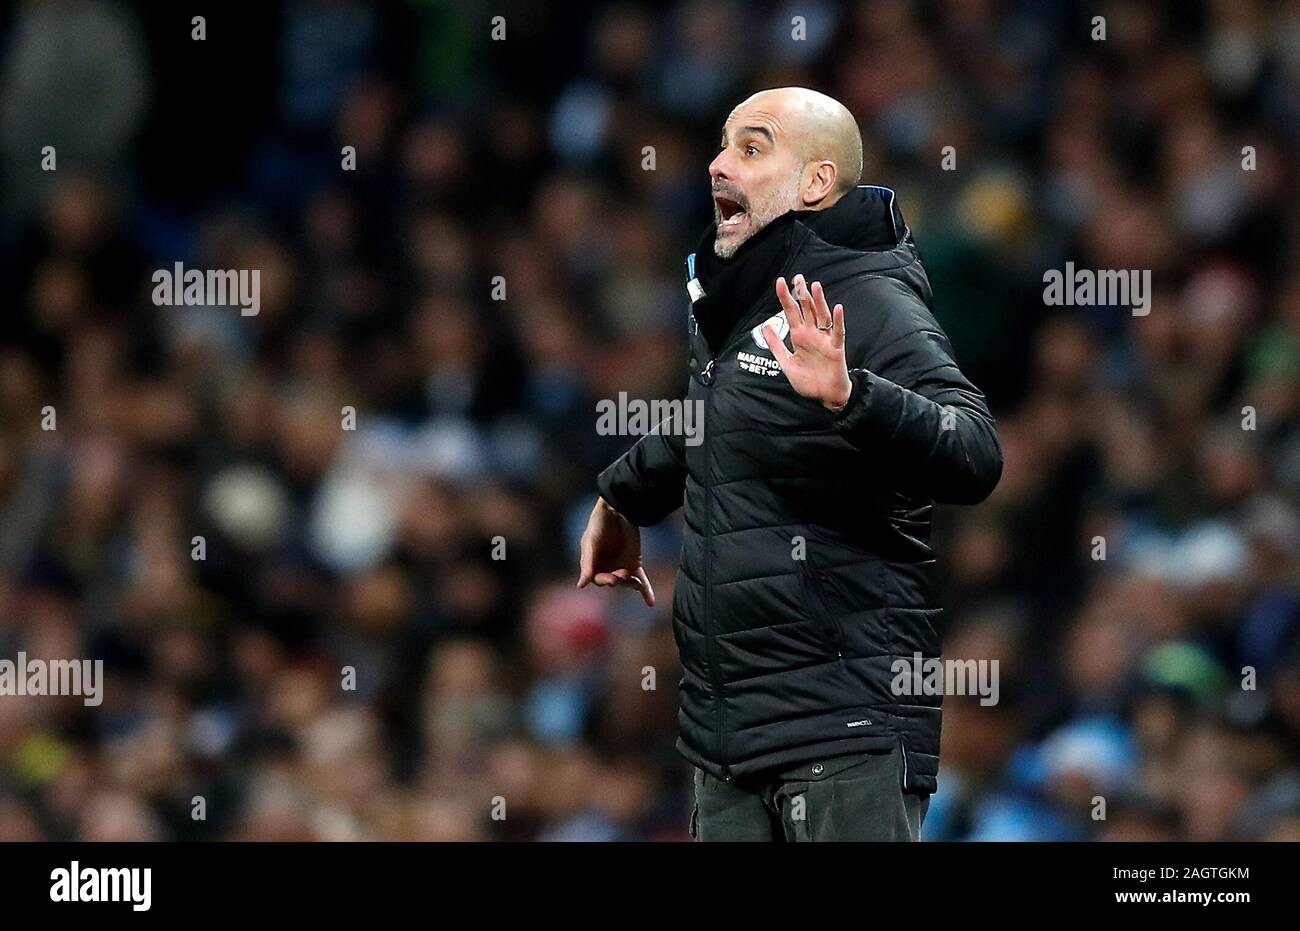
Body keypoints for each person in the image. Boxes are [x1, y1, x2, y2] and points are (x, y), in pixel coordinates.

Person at [578, 87, 1003, 841]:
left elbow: (974, 451)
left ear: (813, 182)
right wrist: (621, 500)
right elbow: (713, 423)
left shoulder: (868, 297)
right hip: (729, 741)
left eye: (751, 146)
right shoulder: (739, 302)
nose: (717, 165)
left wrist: (853, 394)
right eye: (721, 144)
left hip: (844, 727)